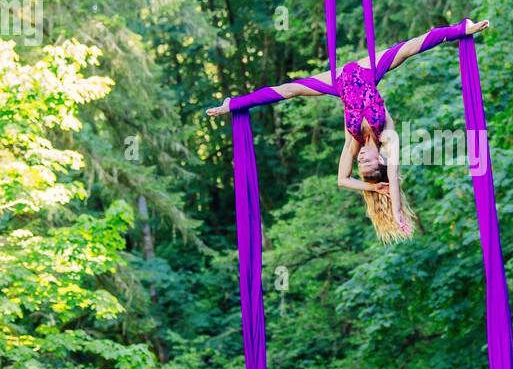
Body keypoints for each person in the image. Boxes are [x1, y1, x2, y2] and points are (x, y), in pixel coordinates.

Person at [207, 18, 489, 242]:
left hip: (338, 82)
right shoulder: (387, 136)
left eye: (360, 166)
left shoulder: (351, 142)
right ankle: (461, 28)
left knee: (289, 90)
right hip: (369, 70)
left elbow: (342, 180)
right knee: (411, 47)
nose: (362, 161)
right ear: (379, 161)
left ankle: (234, 104)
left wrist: (370, 186)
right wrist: (396, 208)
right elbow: (393, 173)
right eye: (369, 165)